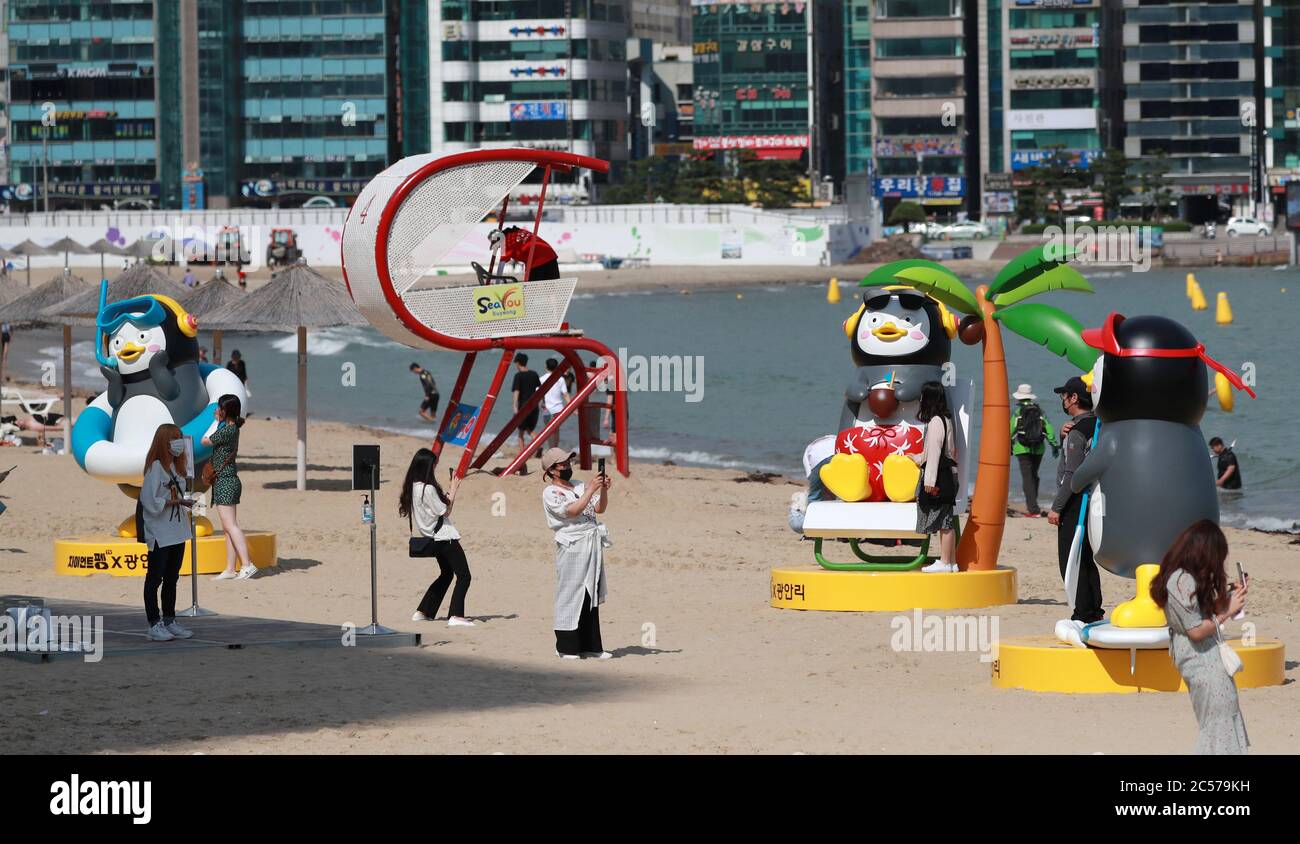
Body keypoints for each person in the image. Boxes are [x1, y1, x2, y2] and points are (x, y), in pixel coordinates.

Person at [1150, 520, 1250, 754]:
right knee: (1219, 726)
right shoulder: (1180, 580)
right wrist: (1227, 611)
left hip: (1207, 660)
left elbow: (1197, 613)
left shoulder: (1183, 577)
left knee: (1223, 722)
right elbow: (1195, 630)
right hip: (1202, 662)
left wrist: (1229, 597)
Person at [541, 447, 612, 659]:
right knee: (570, 591)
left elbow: (599, 509)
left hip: (591, 542)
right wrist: (590, 489)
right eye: (563, 464)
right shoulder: (551, 492)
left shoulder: (579, 485)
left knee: (590, 591)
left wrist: (604, 489)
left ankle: (591, 646)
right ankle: (566, 646)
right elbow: (571, 511)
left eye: (568, 463)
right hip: (572, 544)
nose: (567, 467)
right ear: (552, 470)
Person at [1048, 376, 1102, 622]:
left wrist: (1056, 507)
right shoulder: (1100, 424)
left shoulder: (1078, 431)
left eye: (1064, 396)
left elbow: (1072, 472)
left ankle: (1083, 612)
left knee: (1070, 559)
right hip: (1094, 500)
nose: (1063, 400)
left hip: (1075, 501)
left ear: (1074, 398)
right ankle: (1094, 609)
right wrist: (1063, 437)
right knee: (1087, 557)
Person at [399, 448, 473, 627]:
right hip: (444, 537)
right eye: (433, 466)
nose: (434, 469)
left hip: (431, 537)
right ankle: (455, 615)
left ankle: (423, 611)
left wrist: (448, 491)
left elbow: (436, 509)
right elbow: (445, 511)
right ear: (427, 466)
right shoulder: (428, 488)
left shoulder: (412, 488)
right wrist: (454, 489)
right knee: (464, 576)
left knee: (447, 573)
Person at [138, 423, 195, 642]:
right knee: (155, 578)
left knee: (172, 577)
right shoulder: (155, 468)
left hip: (177, 531)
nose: (179, 442)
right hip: (160, 532)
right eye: (174, 438)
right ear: (164, 441)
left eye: (180, 437)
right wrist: (175, 501)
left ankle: (170, 619)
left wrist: (182, 502)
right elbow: (149, 500)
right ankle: (154, 622)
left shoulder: (175, 468)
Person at [202, 394, 256, 580]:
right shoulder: (230, 428)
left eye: (219, 408)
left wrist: (215, 422)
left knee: (231, 526)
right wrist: (219, 421)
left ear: (226, 411)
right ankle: (230, 568)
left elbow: (205, 440)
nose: (217, 410)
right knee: (227, 527)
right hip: (224, 480)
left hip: (226, 481)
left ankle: (247, 565)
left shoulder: (228, 429)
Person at [910, 382, 959, 573]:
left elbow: (934, 454)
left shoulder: (936, 422)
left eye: (923, 396)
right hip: (948, 475)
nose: (921, 400)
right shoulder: (946, 419)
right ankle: (951, 561)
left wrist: (929, 482)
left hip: (939, 476)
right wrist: (915, 458)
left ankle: (945, 562)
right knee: (946, 520)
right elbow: (944, 451)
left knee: (944, 522)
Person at [1010, 383, 1059, 517]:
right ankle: (1034, 505)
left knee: (1027, 477)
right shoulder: (1040, 411)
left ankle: (1033, 510)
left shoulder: (1018, 412)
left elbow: (1010, 430)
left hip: (1022, 448)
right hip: (1038, 448)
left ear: (1019, 398)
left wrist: (1008, 445)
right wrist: (1054, 445)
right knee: (1034, 475)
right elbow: (1048, 429)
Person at [489, 226, 560, 281]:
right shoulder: (517, 232)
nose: (498, 247)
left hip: (536, 261)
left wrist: (497, 283)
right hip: (550, 255)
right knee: (552, 287)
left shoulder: (507, 243)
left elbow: (501, 265)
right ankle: (554, 300)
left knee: (532, 290)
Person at [511, 353, 542, 471]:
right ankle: (538, 445)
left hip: (523, 407)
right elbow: (539, 389)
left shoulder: (518, 376)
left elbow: (516, 391)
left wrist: (514, 406)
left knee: (520, 432)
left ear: (518, 363)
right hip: (534, 407)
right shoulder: (534, 374)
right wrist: (540, 403)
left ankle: (522, 454)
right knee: (530, 429)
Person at [541, 358, 569, 451]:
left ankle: (551, 449)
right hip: (558, 408)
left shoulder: (541, 379)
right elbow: (565, 394)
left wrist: (541, 404)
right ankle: (555, 448)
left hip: (546, 409)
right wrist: (571, 406)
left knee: (548, 430)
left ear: (545, 366)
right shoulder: (560, 379)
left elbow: (539, 394)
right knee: (556, 430)